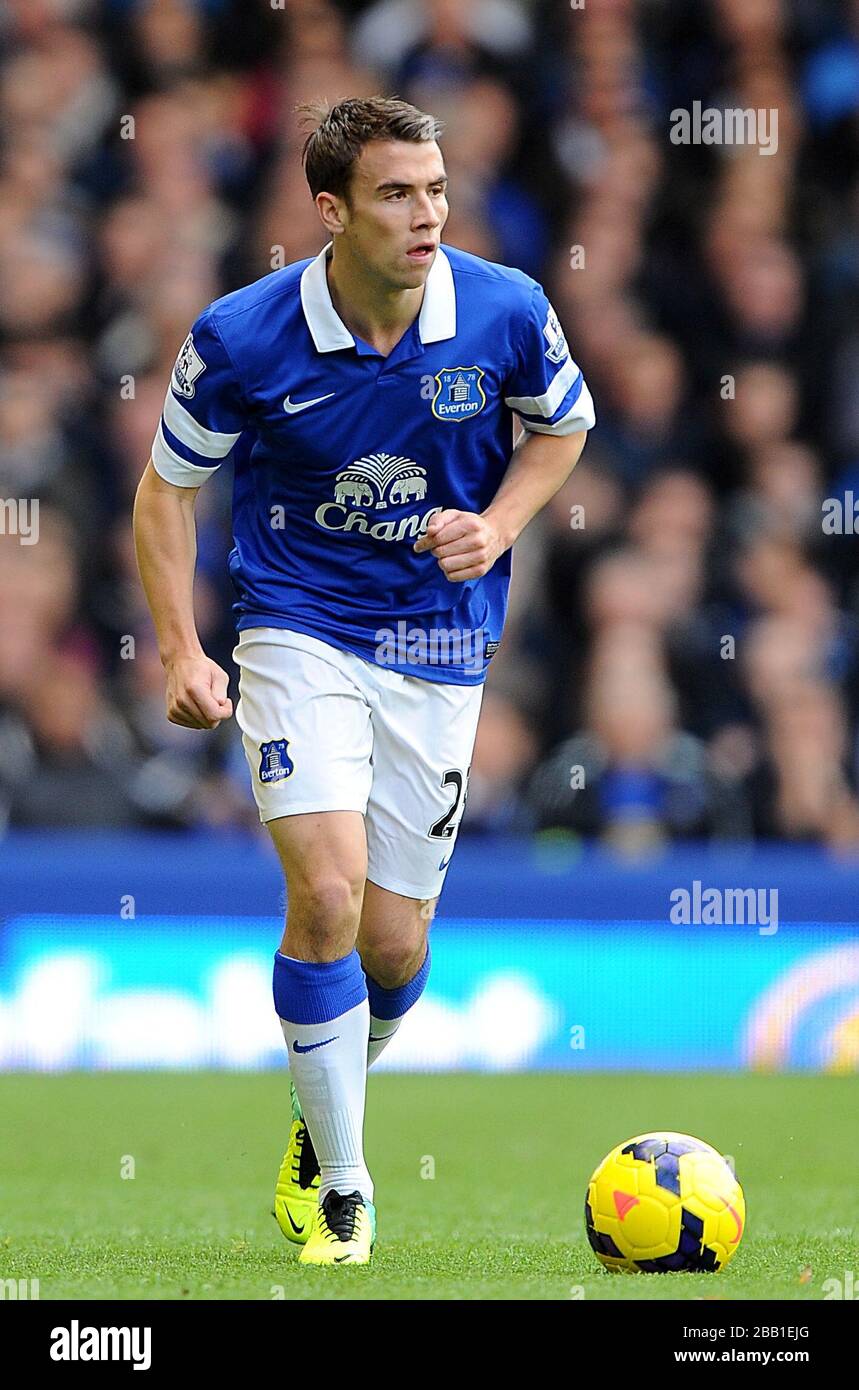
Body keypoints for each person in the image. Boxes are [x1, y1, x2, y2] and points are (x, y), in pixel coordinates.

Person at [132, 96, 594, 1265]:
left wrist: (495, 527)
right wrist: (185, 649)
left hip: (438, 644)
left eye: (436, 187)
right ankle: (343, 1188)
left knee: (391, 949)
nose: (427, 214)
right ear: (329, 212)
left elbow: (564, 428)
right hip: (297, 628)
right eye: (396, 194)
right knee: (327, 899)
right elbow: (164, 492)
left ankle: (319, 1095)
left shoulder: (505, 309)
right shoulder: (240, 337)